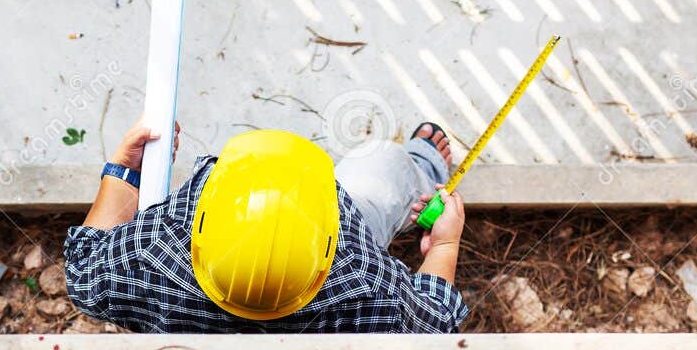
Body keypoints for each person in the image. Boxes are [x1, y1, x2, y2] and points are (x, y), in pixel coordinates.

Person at [63, 116, 468, 332]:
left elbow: (82, 267)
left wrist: (124, 173)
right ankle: (423, 163)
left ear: (198, 222)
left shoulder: (149, 254)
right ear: (333, 242)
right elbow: (435, 320)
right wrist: (444, 245)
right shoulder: (365, 284)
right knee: (381, 162)